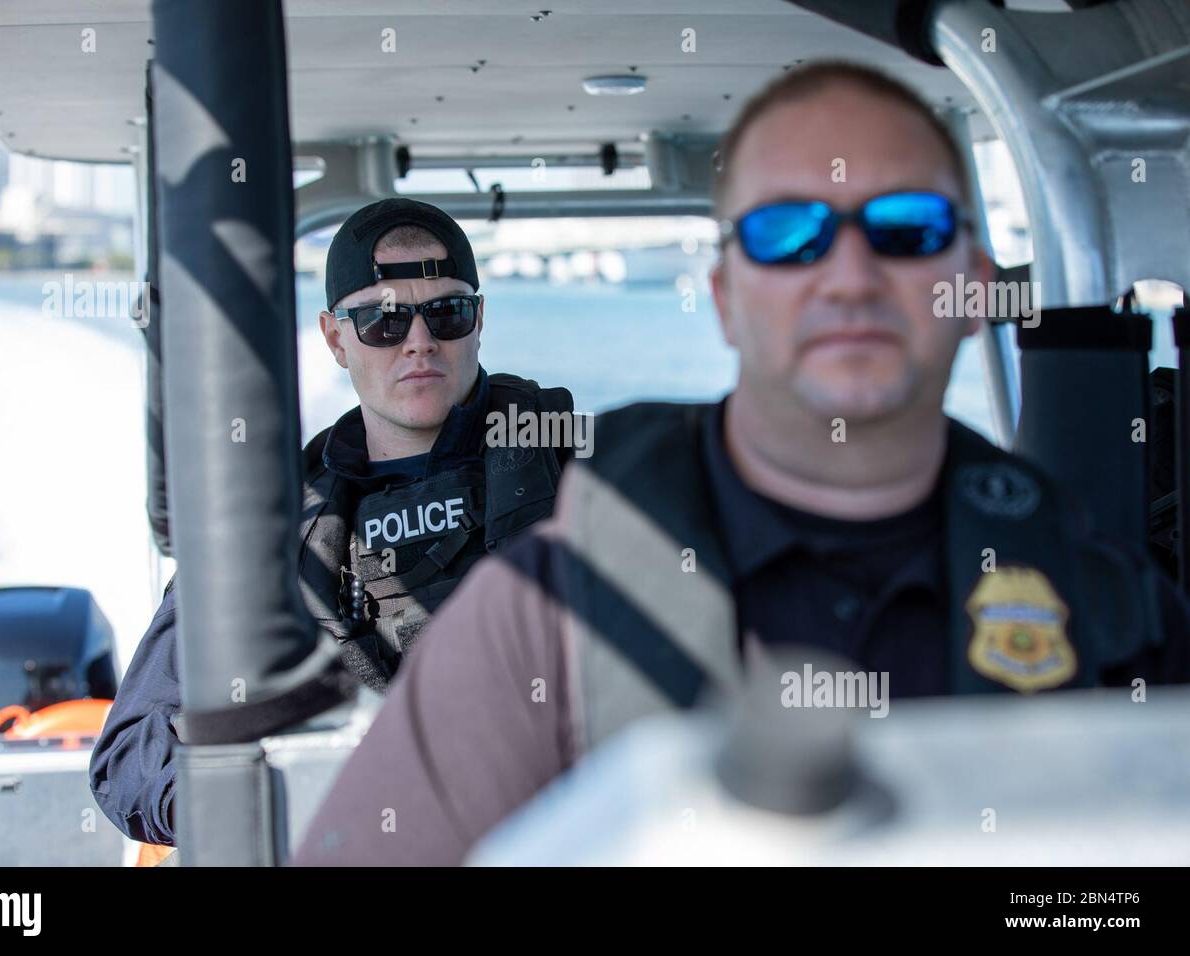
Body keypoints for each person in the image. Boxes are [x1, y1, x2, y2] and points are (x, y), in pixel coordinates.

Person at [293, 61, 1190, 866]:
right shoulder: (544, 618)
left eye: (907, 229)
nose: (849, 276)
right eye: (788, 232)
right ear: (724, 297)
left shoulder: (1110, 603)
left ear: (974, 285)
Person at [90, 198, 575, 847]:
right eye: (383, 321)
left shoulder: (583, 470)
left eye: (447, 312)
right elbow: (129, 756)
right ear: (334, 336)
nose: (420, 341)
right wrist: (281, 796)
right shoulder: (273, 528)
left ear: (479, 320)